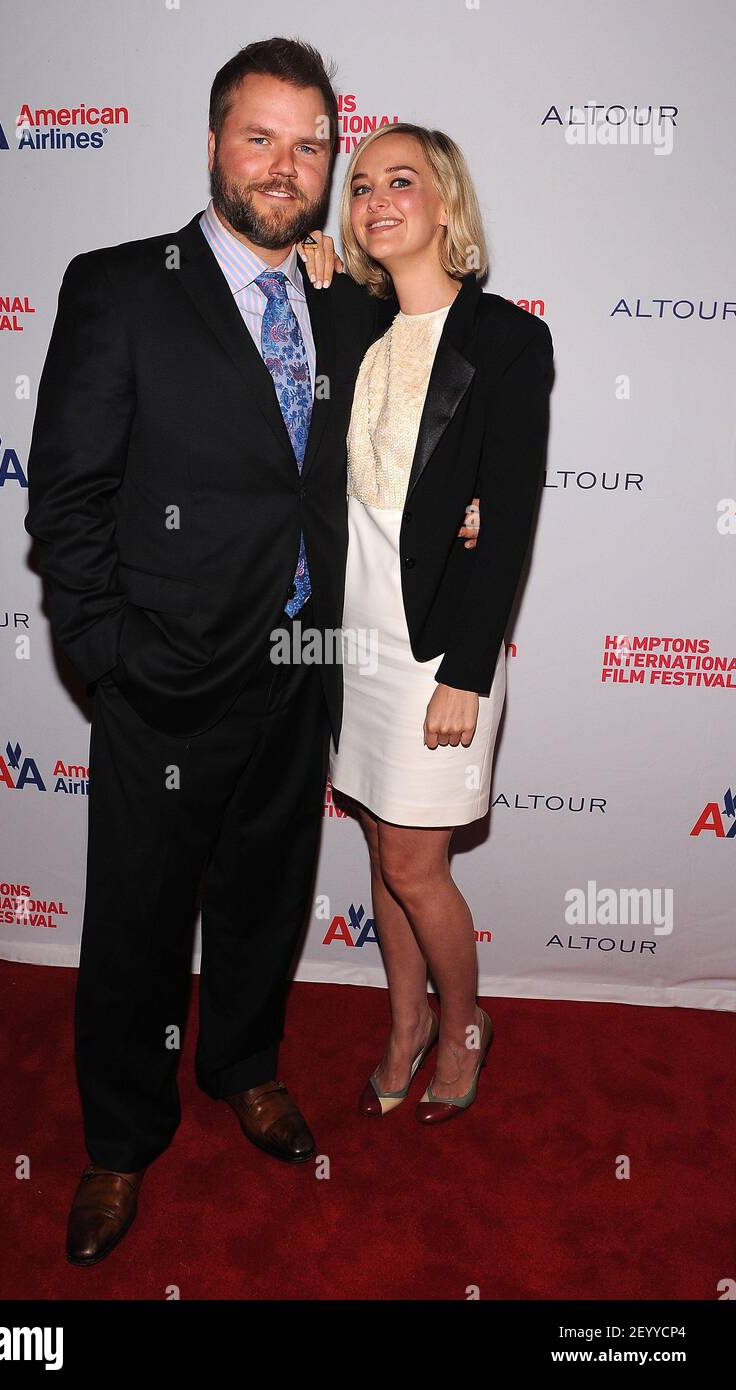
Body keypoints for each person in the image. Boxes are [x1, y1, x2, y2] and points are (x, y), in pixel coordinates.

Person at [24, 37, 405, 1267]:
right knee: (135, 923)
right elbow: (68, 497)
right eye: (260, 137)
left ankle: (243, 1064)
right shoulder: (121, 286)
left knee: (261, 897)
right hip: (164, 680)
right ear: (212, 142)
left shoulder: (343, 303)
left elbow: (413, 422)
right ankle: (121, 1141)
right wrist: (108, 654)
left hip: (298, 671)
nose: (285, 165)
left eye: (310, 145)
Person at [327, 124, 554, 1123]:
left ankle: (462, 1024)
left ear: (444, 203)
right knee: (383, 850)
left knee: (417, 864)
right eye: (363, 185)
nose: (378, 199)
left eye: (401, 181)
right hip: (352, 640)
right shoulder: (343, 327)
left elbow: (501, 521)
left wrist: (466, 670)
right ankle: (403, 1022)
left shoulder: (506, 340)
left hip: (438, 645)